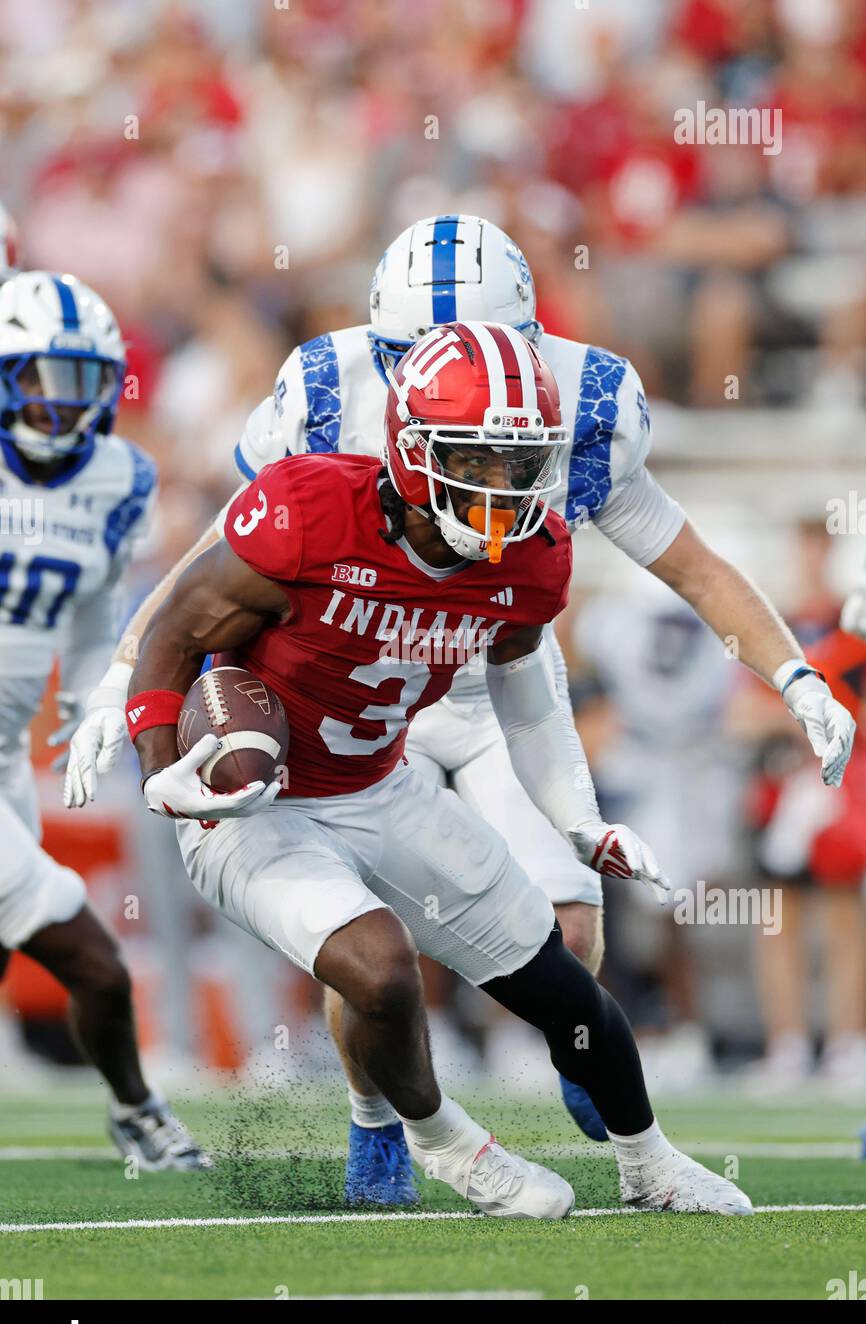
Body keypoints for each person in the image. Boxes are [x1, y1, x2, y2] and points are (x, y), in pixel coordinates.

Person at [66, 215, 855, 1202]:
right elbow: (215, 574)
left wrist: (791, 675)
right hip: (330, 684)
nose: (436, 369)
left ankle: (621, 1126)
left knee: (567, 937)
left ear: (530, 345)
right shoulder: (325, 413)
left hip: (485, 672)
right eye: (408, 358)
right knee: (362, 938)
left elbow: (688, 567)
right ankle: (383, 1122)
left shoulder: (565, 432)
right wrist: (129, 677)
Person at [0, 270, 209, 1170]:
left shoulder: (120, 477)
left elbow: (92, 631)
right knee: (84, 943)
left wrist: (97, 708)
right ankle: (141, 1112)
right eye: (44, 377)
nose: (63, 403)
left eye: (85, 379)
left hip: (8, 748)